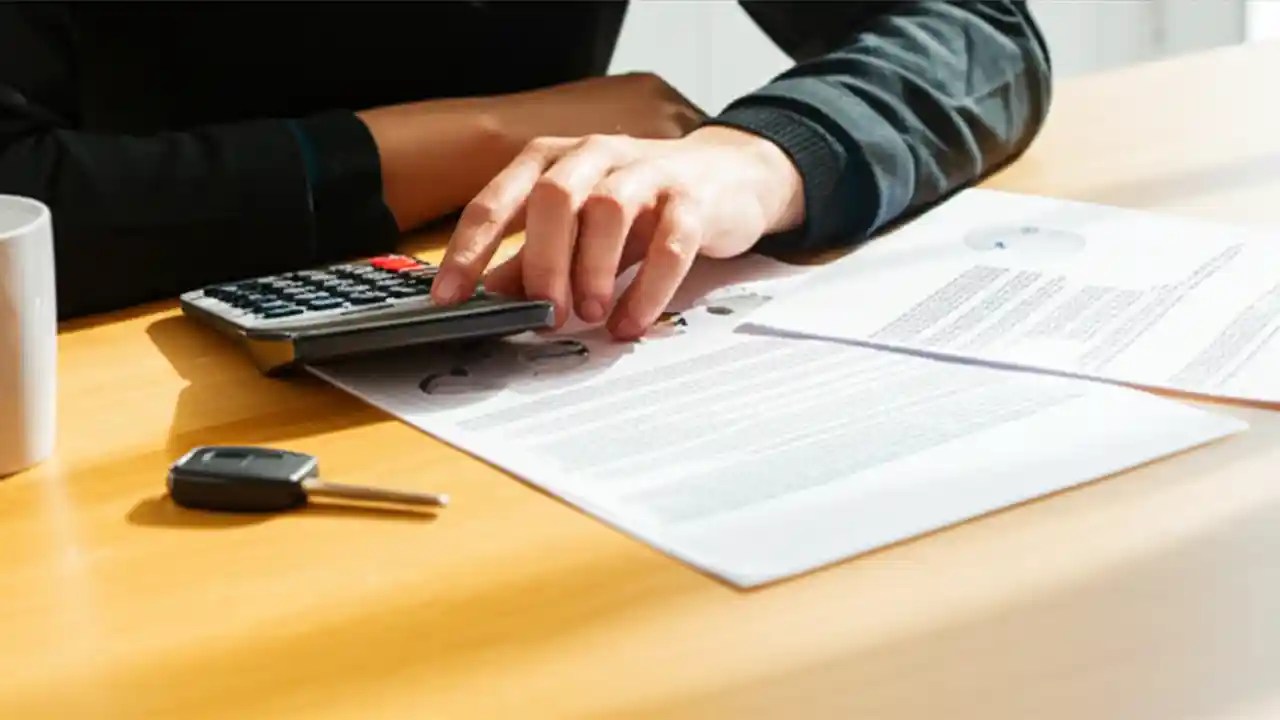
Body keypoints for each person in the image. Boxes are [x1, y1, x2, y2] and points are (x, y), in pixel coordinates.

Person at [0, 2, 1051, 336]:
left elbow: (969, 33)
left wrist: (762, 156)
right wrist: (491, 135)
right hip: (110, 363)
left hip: (503, 324)